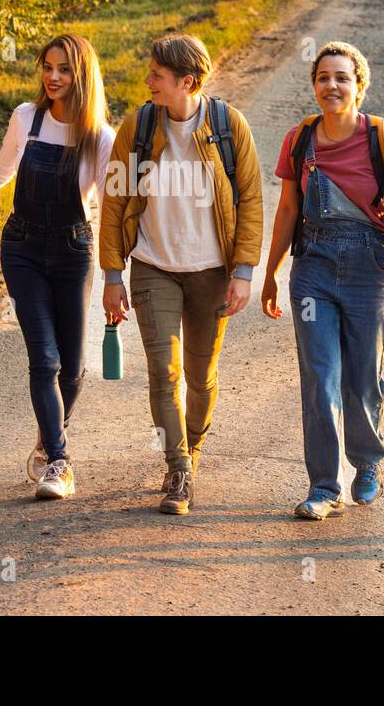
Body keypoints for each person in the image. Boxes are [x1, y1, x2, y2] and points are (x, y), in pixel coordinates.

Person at [0, 34, 114, 501]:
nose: (53, 77)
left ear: (83, 76)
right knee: (45, 358)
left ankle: (47, 436)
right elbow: (1, 172)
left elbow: (109, 209)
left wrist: (117, 278)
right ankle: (60, 460)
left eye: (64, 69)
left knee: (73, 367)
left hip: (74, 250)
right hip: (22, 248)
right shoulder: (26, 117)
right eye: (48, 67)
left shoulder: (100, 137)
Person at [100, 33, 263, 515]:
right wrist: (112, 275)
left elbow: (251, 200)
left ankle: (192, 447)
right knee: (162, 371)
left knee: (200, 375)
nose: (148, 81)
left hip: (212, 272)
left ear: (187, 82)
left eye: (157, 75)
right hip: (153, 267)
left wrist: (244, 271)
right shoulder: (139, 125)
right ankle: (177, 468)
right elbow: (114, 201)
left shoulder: (228, 126)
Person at [261, 42, 384, 519]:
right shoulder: (299, 140)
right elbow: (288, 209)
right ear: (314, 85)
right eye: (323, 77)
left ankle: (367, 463)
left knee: (363, 378)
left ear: (359, 87)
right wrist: (271, 272)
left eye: (342, 77)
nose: (332, 85)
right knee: (320, 377)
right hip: (314, 267)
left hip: (370, 268)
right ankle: (325, 486)